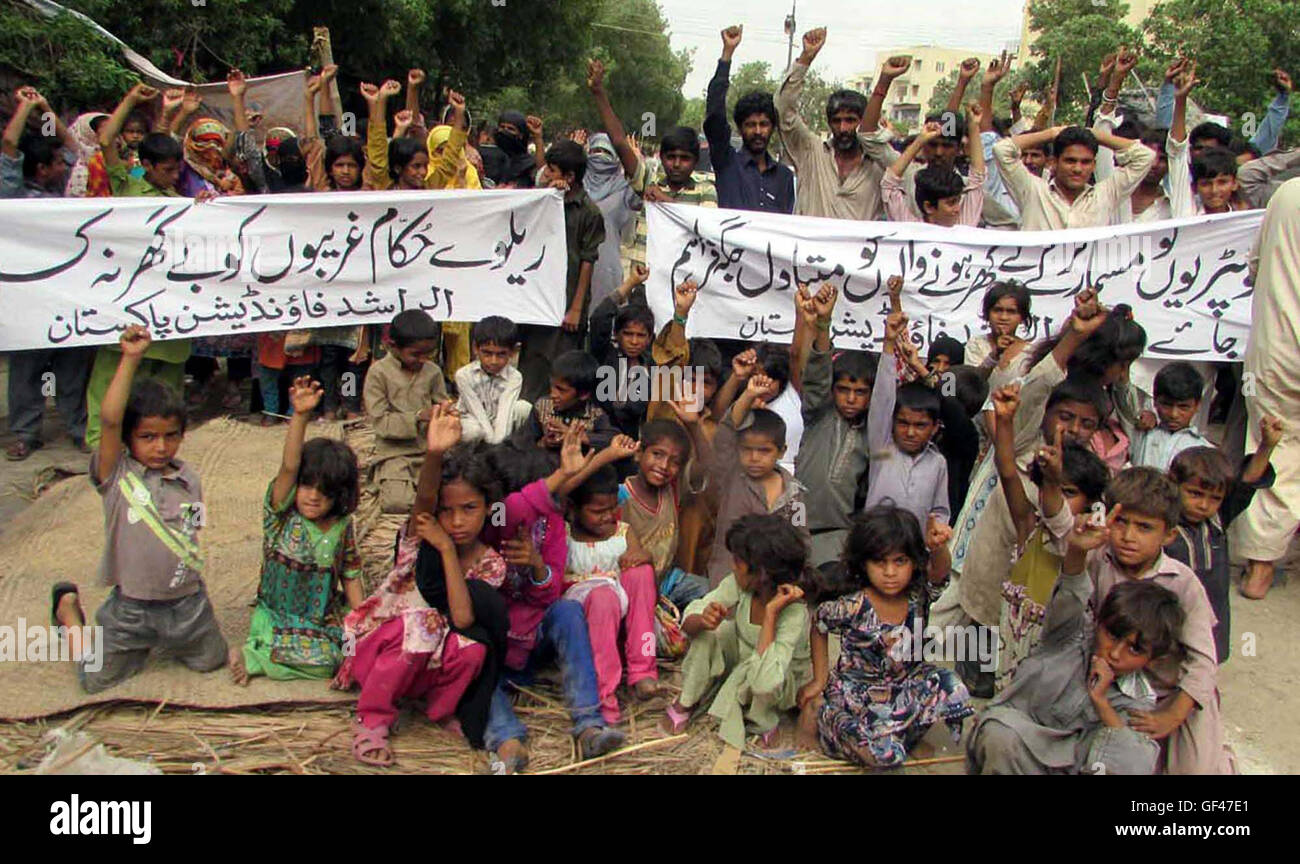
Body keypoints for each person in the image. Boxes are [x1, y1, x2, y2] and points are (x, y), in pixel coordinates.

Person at [52, 326, 227, 693]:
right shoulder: (116, 476)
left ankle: (166, 639)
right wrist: (131, 358)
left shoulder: (190, 479)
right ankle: (68, 611)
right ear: (130, 439)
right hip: (130, 610)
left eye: (171, 435)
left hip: (187, 605)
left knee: (214, 662)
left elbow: (194, 529)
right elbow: (111, 420)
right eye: (148, 437)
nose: (161, 447)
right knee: (94, 679)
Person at [335, 414, 506, 765]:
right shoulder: (419, 539)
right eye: (447, 511)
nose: (457, 521)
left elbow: (462, 616)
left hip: (425, 664)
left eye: (469, 509)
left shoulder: (491, 564)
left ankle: (435, 709)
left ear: (489, 508)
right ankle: (373, 719)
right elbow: (425, 498)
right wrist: (434, 454)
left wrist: (446, 549)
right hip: (376, 648)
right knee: (424, 622)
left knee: (473, 648)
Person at [482, 424, 626, 773]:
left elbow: (549, 589)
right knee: (470, 649)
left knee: (567, 610)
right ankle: (506, 738)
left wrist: (536, 565)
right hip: (494, 644)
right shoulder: (489, 524)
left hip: (533, 635)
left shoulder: (550, 525)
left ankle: (588, 722)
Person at [1076, 469, 1233, 774]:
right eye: (1121, 521)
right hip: (1113, 686)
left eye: (1144, 527)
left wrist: (1172, 716)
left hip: (1172, 693)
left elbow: (1203, 661)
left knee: (1194, 771)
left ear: (1169, 535)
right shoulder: (1096, 560)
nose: (1128, 536)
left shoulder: (1182, 582)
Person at [799, 506, 972, 767]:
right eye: (880, 562)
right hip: (858, 699)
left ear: (914, 561)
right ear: (863, 563)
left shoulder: (918, 595)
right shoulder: (853, 605)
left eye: (900, 561)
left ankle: (898, 736)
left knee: (953, 688)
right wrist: (819, 679)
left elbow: (939, 573)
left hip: (904, 688)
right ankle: (822, 714)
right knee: (884, 756)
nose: (890, 572)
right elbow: (819, 623)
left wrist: (937, 548)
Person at [968, 573, 1184, 775]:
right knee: (1000, 733)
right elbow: (1071, 587)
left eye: (1134, 649)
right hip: (1016, 757)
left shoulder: (1139, 702)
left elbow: (1134, 767)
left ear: (1152, 659)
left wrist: (1102, 704)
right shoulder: (1072, 638)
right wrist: (1077, 550)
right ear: (1098, 623)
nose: (1116, 654)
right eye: (1112, 635)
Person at [230, 377, 363, 684]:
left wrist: (361, 621)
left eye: (324, 491)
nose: (312, 496)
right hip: (276, 616)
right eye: (307, 486)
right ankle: (254, 658)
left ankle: (263, 657)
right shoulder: (281, 515)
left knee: (337, 659)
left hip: (320, 619)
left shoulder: (343, 526)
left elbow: (351, 574)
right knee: (300, 655)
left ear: (339, 495)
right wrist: (300, 416)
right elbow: (289, 466)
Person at [989, 384, 1110, 688]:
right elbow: (1006, 470)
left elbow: (1060, 517)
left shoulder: (1079, 542)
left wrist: (1054, 480)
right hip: (1010, 653)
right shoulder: (1028, 525)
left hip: (1052, 661)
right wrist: (1004, 421)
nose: (1055, 497)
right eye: (1051, 489)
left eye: (1071, 493)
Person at [663, 514, 814, 750]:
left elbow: (766, 680)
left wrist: (771, 614)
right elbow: (690, 619)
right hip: (743, 659)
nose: (732, 567)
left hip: (777, 676)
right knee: (713, 633)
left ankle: (763, 719)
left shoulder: (793, 613)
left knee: (767, 674)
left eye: (738, 562)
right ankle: (687, 700)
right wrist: (702, 620)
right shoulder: (739, 585)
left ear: (762, 574)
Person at [2, 86, 95, 460]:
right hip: (28, 297)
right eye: (56, 163)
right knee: (29, 369)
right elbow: (9, 145)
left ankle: (77, 427)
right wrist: (25, 108)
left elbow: (74, 148)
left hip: (67, 293)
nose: (65, 166)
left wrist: (45, 109)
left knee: (72, 365)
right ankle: (26, 432)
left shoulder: (64, 195)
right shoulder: (11, 196)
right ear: (40, 169)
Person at [1230, 178, 1300, 599]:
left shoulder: (1287, 193)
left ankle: (1261, 565)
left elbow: (1254, 267)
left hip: (1277, 350)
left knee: (1272, 444)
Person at [558, 455, 659, 723]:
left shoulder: (622, 532)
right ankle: (604, 697)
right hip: (585, 609)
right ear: (573, 508)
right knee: (603, 598)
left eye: (612, 509)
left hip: (621, 605)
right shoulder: (564, 535)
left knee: (642, 574)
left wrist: (641, 555)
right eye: (597, 511)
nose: (607, 517)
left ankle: (643, 668)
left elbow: (642, 561)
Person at [1167, 441, 1278, 664]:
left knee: (1206, 663)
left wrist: (1267, 445)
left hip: (1212, 613)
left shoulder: (1218, 519)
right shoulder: (1160, 523)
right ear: (1173, 484)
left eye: (1215, 498)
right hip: (1172, 613)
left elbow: (1248, 481)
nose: (1204, 505)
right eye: (1195, 494)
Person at [775, 27, 898, 220]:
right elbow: (783, 110)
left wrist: (885, 81)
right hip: (809, 249)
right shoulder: (810, 152)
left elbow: (905, 173)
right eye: (837, 121)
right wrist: (805, 58)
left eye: (850, 120)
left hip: (859, 251)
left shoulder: (879, 163)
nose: (843, 129)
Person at [517, 139, 606, 402]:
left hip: (566, 302)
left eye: (552, 170)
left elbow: (588, 261)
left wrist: (576, 308)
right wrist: (546, 192)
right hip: (536, 298)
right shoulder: (543, 200)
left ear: (570, 176)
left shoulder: (589, 212)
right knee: (531, 363)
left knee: (560, 366)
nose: (546, 174)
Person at [704, 368, 809, 588]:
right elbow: (726, 432)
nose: (754, 458)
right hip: (728, 582)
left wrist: (799, 583)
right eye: (747, 450)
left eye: (764, 451)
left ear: (781, 451)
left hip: (772, 586)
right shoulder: (732, 476)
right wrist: (748, 395)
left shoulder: (793, 492)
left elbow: (801, 540)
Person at [792, 282, 872, 567]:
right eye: (843, 390)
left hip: (839, 537)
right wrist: (823, 324)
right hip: (796, 527)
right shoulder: (819, 414)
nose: (851, 399)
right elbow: (816, 375)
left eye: (861, 392)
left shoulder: (871, 433)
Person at [861, 280, 949, 530]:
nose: (910, 432)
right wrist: (890, 343)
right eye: (937, 361)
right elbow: (883, 398)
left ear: (934, 428)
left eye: (920, 426)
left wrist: (925, 370)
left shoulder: (953, 380)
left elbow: (940, 513)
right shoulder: (883, 447)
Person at [363, 310, 450, 514]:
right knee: (397, 503)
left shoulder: (433, 371)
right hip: (395, 453)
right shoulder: (378, 373)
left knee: (452, 492)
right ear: (392, 346)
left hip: (430, 450)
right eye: (416, 354)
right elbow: (380, 422)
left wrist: (446, 413)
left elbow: (442, 404)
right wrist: (419, 416)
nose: (423, 359)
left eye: (428, 353)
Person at [993, 122, 1155, 230]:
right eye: (1070, 161)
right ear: (1054, 163)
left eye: (1085, 162)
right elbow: (1001, 150)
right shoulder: (1033, 192)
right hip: (1039, 281)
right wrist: (1053, 133)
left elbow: (1145, 156)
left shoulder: (1105, 195)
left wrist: (1093, 134)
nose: (1078, 169)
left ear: (1094, 165)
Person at [704, 25, 795, 213]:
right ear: (739, 128)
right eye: (750, 125)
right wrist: (727, 54)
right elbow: (714, 116)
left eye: (764, 124)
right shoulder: (726, 162)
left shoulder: (784, 177)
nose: (758, 131)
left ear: (772, 128)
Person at [882, 103, 986, 226]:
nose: (939, 152)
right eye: (932, 144)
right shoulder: (911, 228)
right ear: (928, 207)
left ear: (959, 148)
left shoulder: (963, 225)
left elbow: (978, 179)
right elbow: (889, 184)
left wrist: (973, 126)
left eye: (946, 146)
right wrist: (920, 140)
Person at [589, 269, 656, 440]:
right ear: (617, 334)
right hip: (595, 435)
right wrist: (630, 283)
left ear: (649, 339)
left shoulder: (651, 367)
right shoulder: (605, 355)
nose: (634, 341)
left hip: (629, 441)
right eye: (628, 334)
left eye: (641, 335)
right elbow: (599, 317)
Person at [519, 350, 616, 454]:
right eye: (552, 386)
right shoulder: (542, 406)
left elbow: (613, 439)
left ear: (583, 394)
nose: (553, 394)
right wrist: (545, 442)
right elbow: (525, 441)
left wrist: (576, 436)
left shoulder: (595, 414)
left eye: (561, 390)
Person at [455, 316, 531, 445]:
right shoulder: (463, 375)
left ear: (513, 352)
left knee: (523, 408)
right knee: (474, 431)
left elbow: (505, 412)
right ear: (475, 348)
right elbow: (476, 410)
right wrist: (492, 441)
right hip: (473, 419)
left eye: (501, 354)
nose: (493, 361)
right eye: (487, 353)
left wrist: (497, 444)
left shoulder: (515, 377)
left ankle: (513, 446)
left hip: (499, 421)